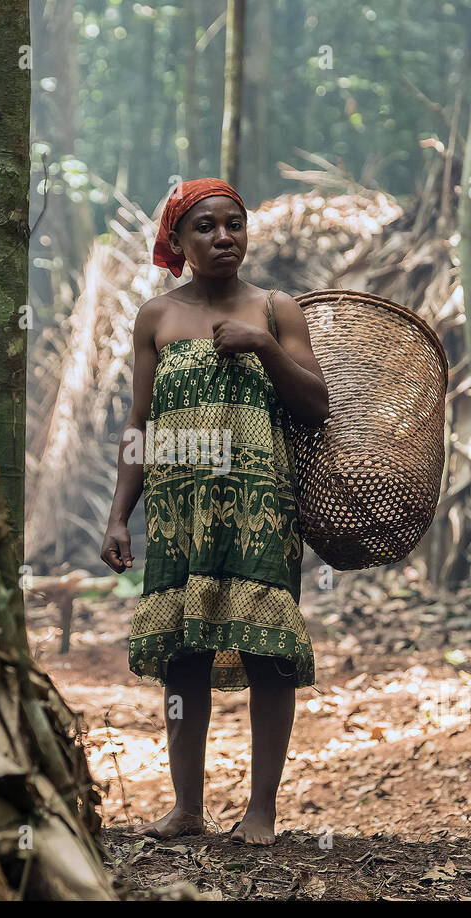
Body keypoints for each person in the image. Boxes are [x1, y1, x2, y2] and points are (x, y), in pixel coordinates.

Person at [100, 177, 329, 845]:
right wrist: (120, 515)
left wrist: (263, 347)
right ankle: (186, 807)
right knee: (183, 655)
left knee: (269, 652)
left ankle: (261, 809)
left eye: (234, 223)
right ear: (178, 241)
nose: (224, 236)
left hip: (260, 503)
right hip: (179, 508)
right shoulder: (156, 317)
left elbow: (317, 405)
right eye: (206, 227)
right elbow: (139, 424)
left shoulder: (275, 308)